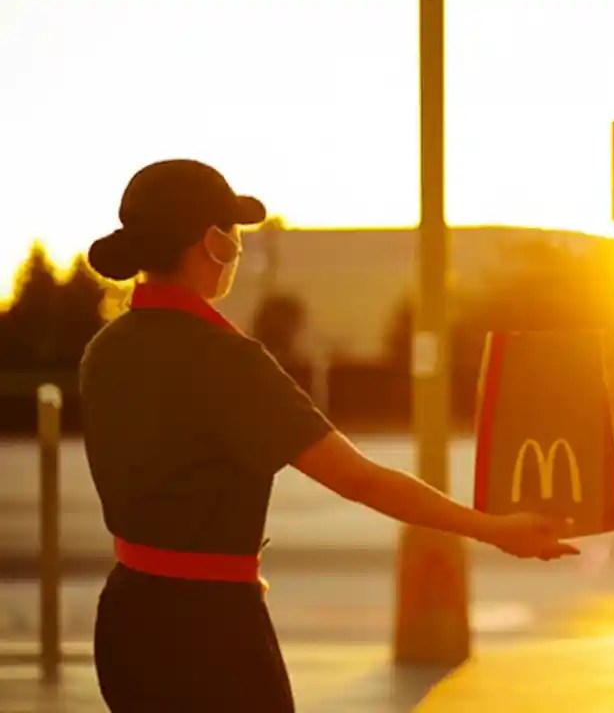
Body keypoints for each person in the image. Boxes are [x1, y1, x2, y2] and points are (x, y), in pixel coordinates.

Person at [80, 159, 578, 712]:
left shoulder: (105, 351)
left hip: (127, 617)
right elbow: (359, 479)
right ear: (213, 244)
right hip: (211, 631)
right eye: (235, 235)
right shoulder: (227, 361)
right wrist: (491, 529)